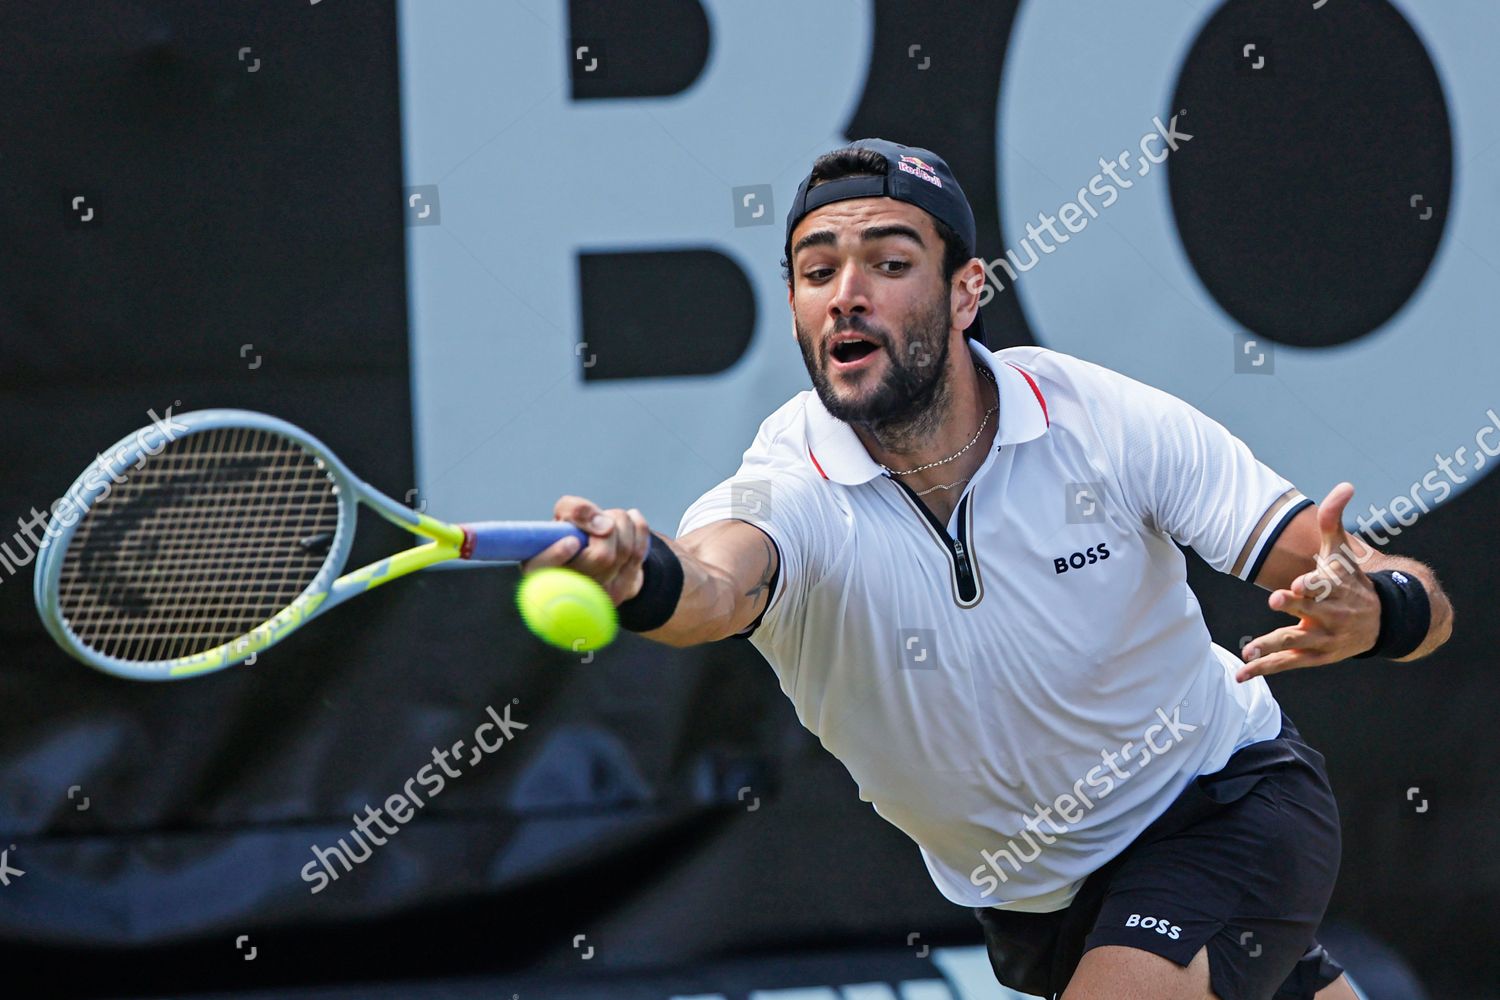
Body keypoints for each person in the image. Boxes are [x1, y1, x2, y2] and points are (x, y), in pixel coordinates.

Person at [522, 139, 1454, 1000]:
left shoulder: (1104, 422)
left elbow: (1387, 584)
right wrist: (643, 576)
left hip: (1224, 805)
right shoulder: (786, 490)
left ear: (966, 293)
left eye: (889, 263)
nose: (847, 293)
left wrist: (1378, 609)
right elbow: (714, 586)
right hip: (1034, 907)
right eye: (817, 272)